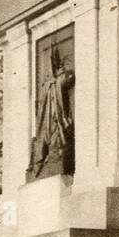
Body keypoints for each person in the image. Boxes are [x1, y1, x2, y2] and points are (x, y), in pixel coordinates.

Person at [29, 45, 75, 179]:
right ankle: (41, 163)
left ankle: (47, 160)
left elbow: (69, 78)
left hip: (56, 119)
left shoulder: (59, 80)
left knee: (54, 138)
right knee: (45, 139)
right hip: (49, 120)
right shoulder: (50, 84)